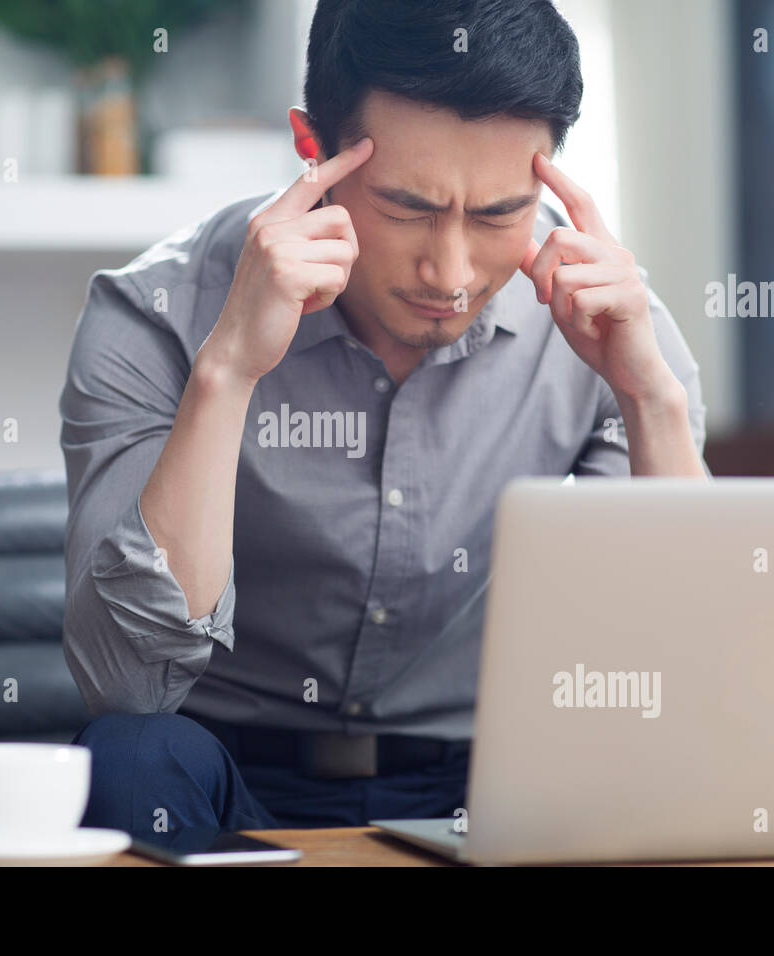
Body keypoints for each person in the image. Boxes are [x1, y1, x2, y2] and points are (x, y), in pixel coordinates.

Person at [60, 0, 710, 834]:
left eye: (497, 215)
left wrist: (651, 400)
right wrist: (226, 372)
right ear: (313, 149)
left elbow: (681, 678)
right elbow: (127, 686)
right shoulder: (156, 313)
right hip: (228, 781)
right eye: (406, 208)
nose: (451, 273)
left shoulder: (612, 327)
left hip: (498, 789)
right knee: (128, 758)